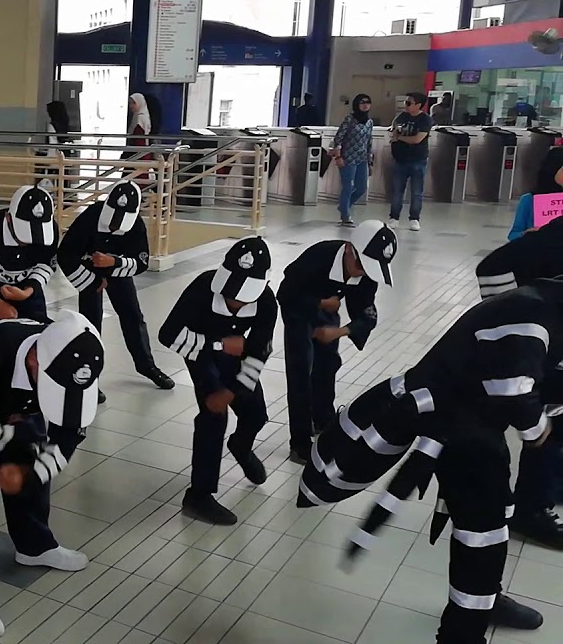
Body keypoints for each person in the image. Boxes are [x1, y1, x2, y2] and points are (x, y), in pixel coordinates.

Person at [295, 280, 563, 644]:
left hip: (473, 424)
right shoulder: (534, 314)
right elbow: (514, 391)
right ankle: (461, 633)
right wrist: (539, 430)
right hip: (461, 429)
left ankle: (485, 600)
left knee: (488, 525)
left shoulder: (544, 299)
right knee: (481, 538)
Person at [0, 312, 104, 639]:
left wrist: (29, 476)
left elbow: (68, 434)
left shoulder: (78, 355)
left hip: (21, 408)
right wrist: (7, 438)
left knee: (34, 461)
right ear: (33, 360)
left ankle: (34, 545)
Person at [159, 237, 277, 525]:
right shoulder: (203, 287)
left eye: (243, 294)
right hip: (200, 353)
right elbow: (169, 334)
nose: (234, 299)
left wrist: (234, 389)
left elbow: (259, 352)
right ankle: (198, 496)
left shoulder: (266, 302)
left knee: (256, 414)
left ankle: (241, 446)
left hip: (238, 358)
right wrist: (218, 345)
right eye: (230, 289)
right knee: (214, 416)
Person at [474, 218, 563, 547]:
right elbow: (491, 267)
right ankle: (530, 510)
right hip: (535, 347)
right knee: (544, 420)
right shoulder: (556, 236)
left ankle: (536, 499)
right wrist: (509, 319)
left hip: (548, 338)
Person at [278, 221, 397, 463]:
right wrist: (321, 304)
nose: (363, 272)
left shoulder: (366, 275)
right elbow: (285, 293)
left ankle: (323, 418)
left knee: (328, 363)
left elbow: (366, 313)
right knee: (301, 369)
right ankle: (299, 442)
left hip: (329, 312)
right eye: (361, 265)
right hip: (299, 310)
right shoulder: (320, 255)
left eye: (369, 269)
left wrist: (339, 332)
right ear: (349, 250)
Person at [58, 181, 174, 392]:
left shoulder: (136, 224)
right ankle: (89, 374)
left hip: (118, 272)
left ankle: (146, 365)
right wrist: (92, 280)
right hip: (88, 274)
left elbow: (141, 261)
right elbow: (66, 254)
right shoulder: (91, 216)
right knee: (90, 324)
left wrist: (114, 263)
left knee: (133, 317)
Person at [0, 185, 59, 324]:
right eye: (22, 235)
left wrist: (28, 291)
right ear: (8, 218)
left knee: (37, 333)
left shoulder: (51, 230)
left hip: (30, 287)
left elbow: (46, 265)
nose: (27, 243)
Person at [388, 93, 434, 231]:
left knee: (416, 191)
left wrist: (400, 138)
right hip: (400, 159)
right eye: (406, 102)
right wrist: (398, 137)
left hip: (418, 159)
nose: (406, 105)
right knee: (397, 191)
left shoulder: (425, 120)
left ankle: (414, 218)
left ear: (418, 105)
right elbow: (394, 133)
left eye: (409, 103)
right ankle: (394, 217)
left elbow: (416, 139)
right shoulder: (401, 117)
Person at [329, 94, 374, 227]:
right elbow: (338, 138)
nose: (365, 105)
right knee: (348, 186)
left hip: (362, 159)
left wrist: (369, 162)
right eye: (362, 102)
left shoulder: (369, 122)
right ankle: (345, 214)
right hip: (347, 157)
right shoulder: (350, 119)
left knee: (361, 187)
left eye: (367, 102)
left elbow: (369, 142)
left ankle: (344, 205)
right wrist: (338, 156)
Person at [508, 147, 563, 240]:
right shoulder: (529, 200)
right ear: (552, 169)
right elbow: (513, 234)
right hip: (540, 250)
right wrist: (525, 234)